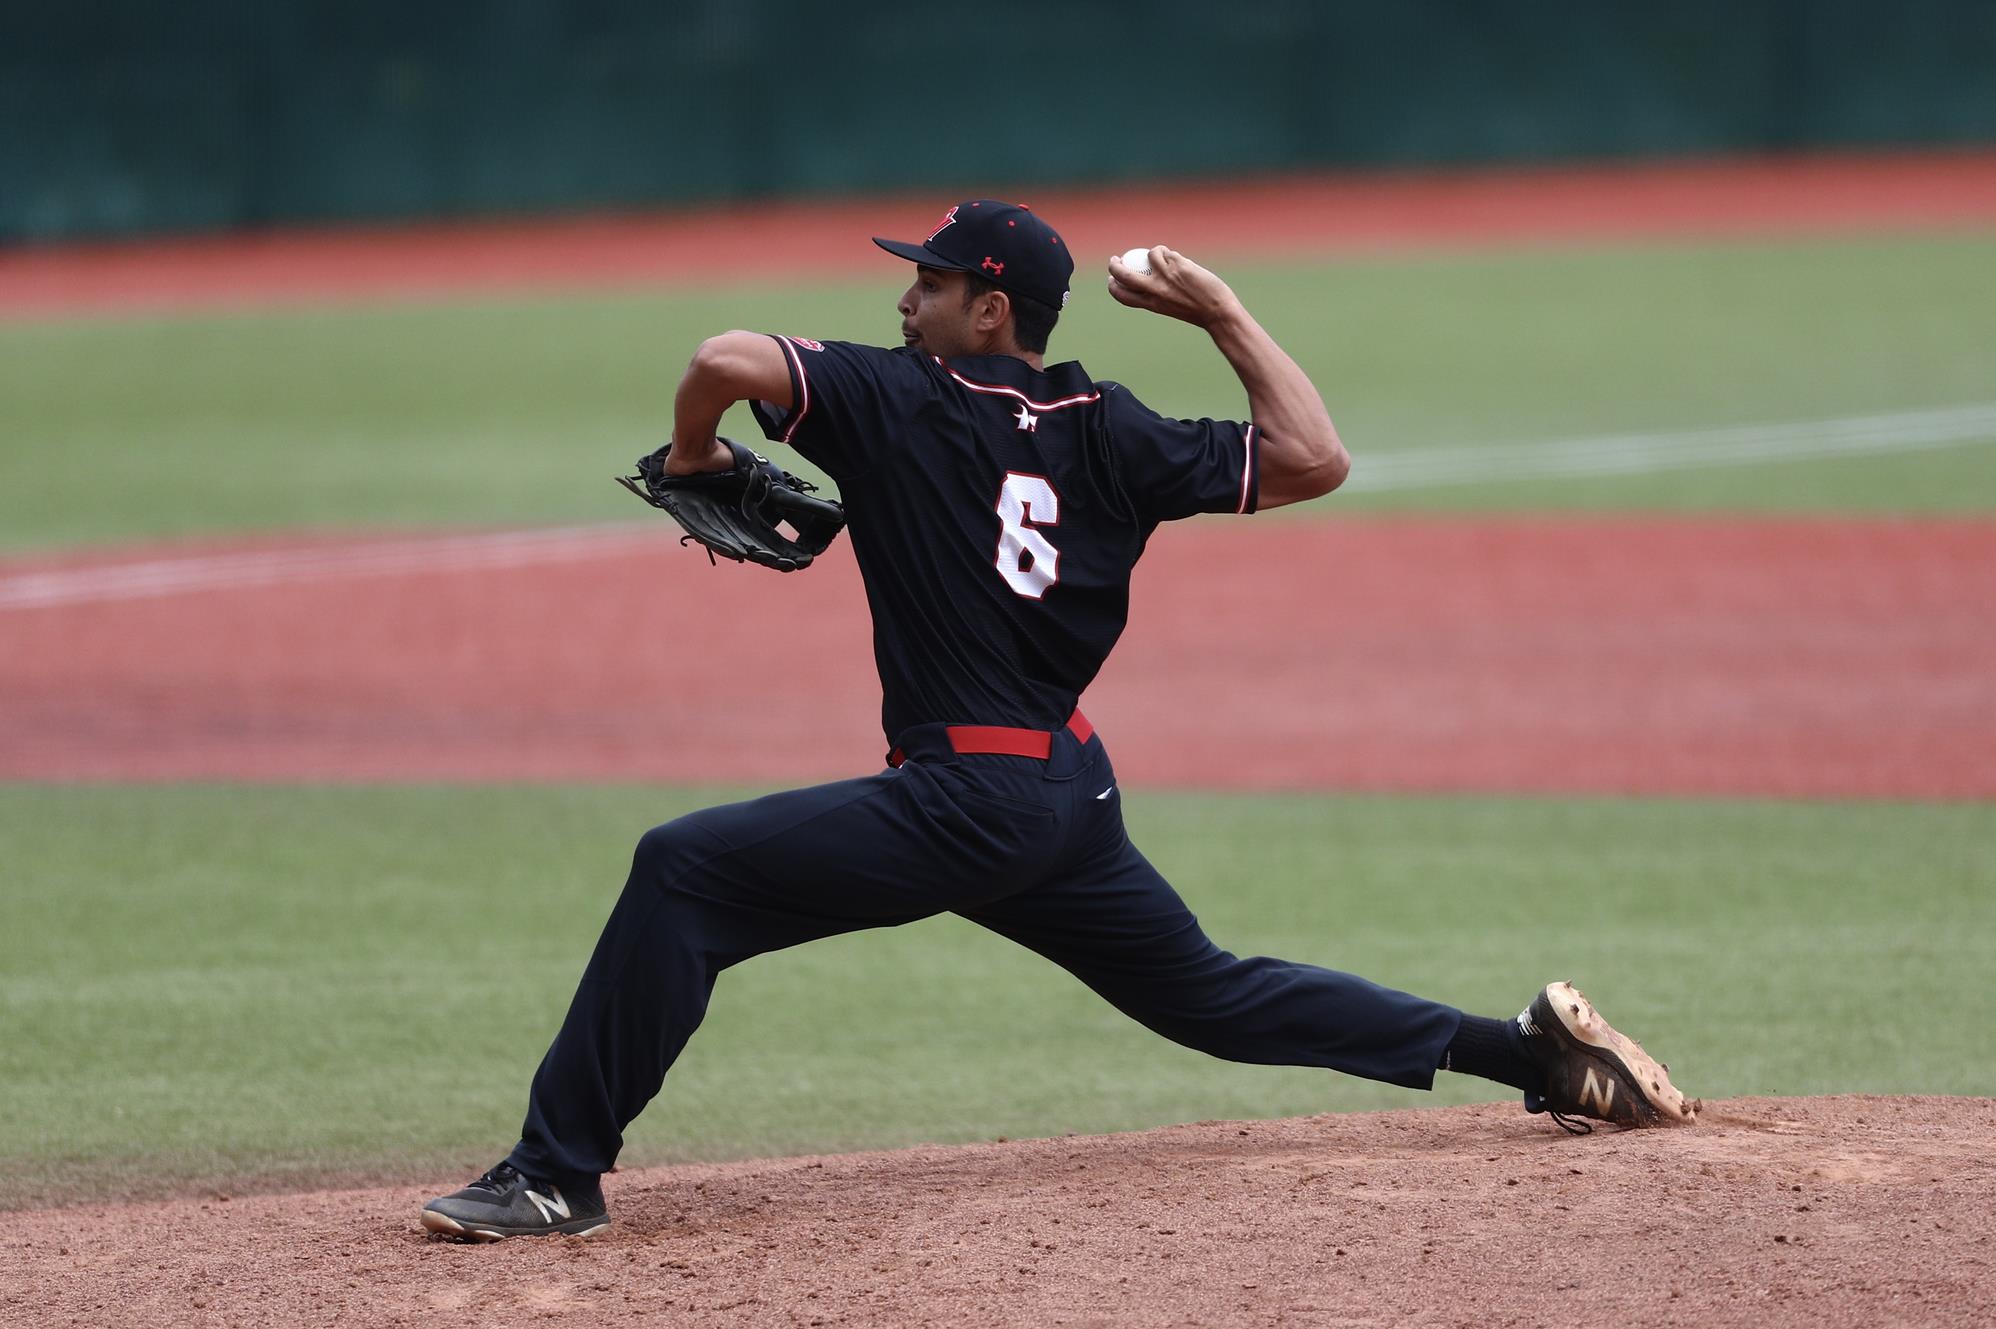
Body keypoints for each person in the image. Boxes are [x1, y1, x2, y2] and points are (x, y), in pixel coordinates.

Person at [420, 200, 1692, 1241]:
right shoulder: (1108, 428)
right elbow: (1312, 457)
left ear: (989, 311)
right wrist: (1221, 312)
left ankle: (555, 1172)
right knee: (1213, 997)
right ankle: (1527, 1056)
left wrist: (696, 452)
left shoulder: (896, 399)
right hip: (1063, 797)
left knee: (680, 871)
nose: (903, 301)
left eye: (927, 283)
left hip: (962, 803)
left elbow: (721, 358)